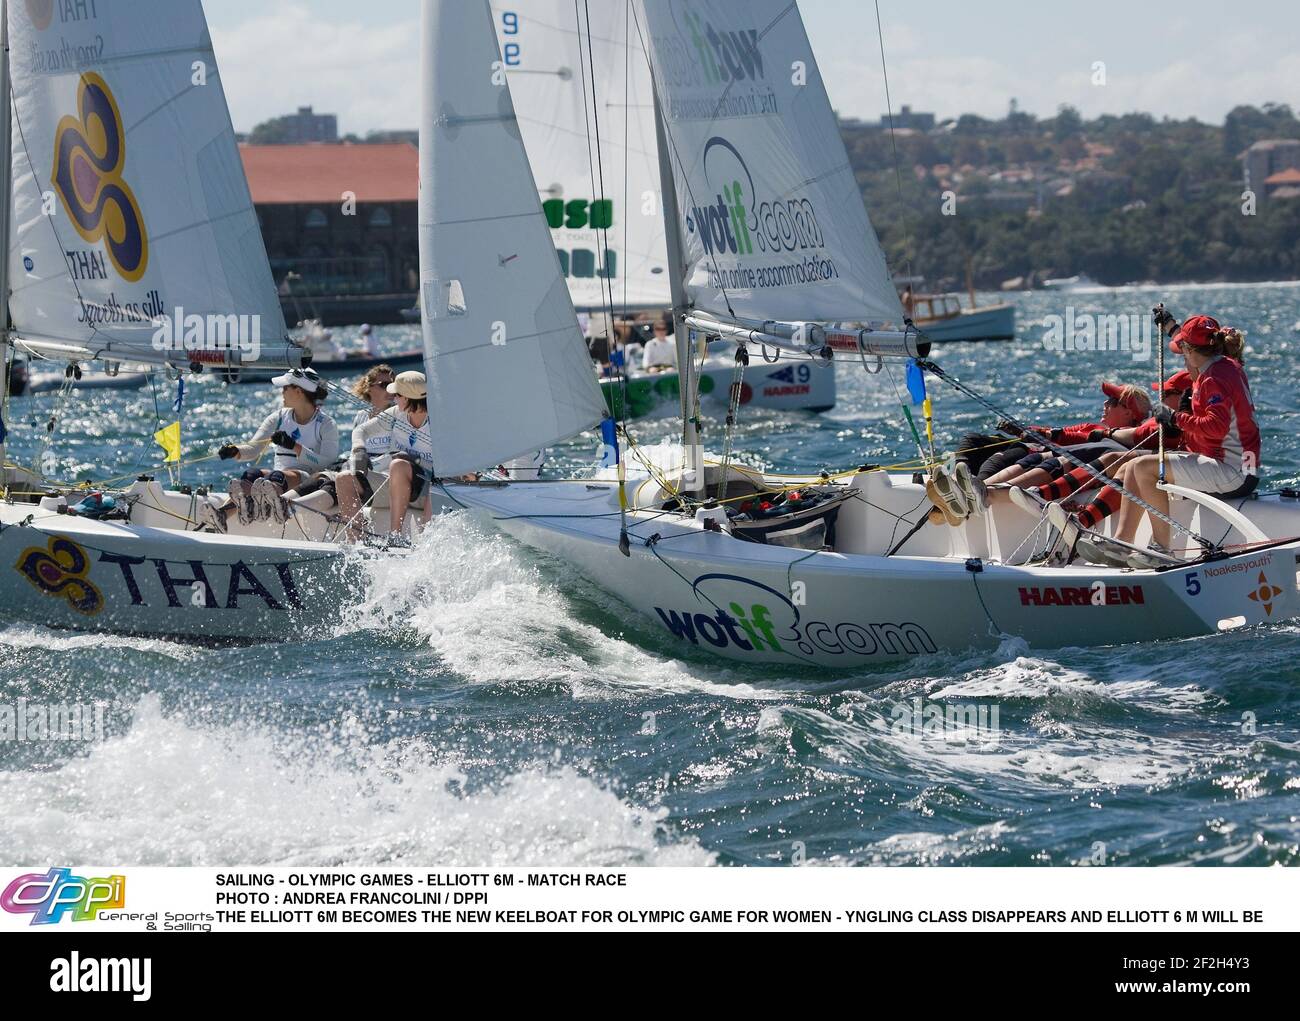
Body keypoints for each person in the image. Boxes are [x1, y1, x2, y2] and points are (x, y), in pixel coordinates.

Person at [201, 368, 339, 531]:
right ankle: (223, 515)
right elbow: (253, 448)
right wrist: (236, 450)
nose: (282, 392)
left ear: (298, 391)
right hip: (280, 477)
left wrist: (294, 446)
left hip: (309, 481)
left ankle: (261, 507)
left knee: (276, 477)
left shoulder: (326, 424)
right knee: (251, 475)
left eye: (285, 388)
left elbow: (327, 463)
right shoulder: (279, 417)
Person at [270, 365, 396, 526]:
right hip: (362, 473)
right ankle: (280, 503)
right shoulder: (361, 416)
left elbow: (393, 457)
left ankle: (290, 508)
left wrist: (363, 466)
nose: (391, 390)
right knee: (322, 477)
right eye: (385, 385)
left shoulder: (397, 416)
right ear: (369, 388)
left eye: (393, 385)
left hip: (379, 477)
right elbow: (355, 453)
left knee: (337, 479)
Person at [336, 370, 433, 544]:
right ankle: (356, 542)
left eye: (397, 395)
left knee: (398, 465)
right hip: (395, 487)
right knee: (344, 478)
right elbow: (361, 430)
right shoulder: (396, 413)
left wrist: (412, 459)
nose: (393, 399)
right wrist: (359, 450)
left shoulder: (439, 420)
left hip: (427, 493)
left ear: (407, 398)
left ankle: (394, 537)